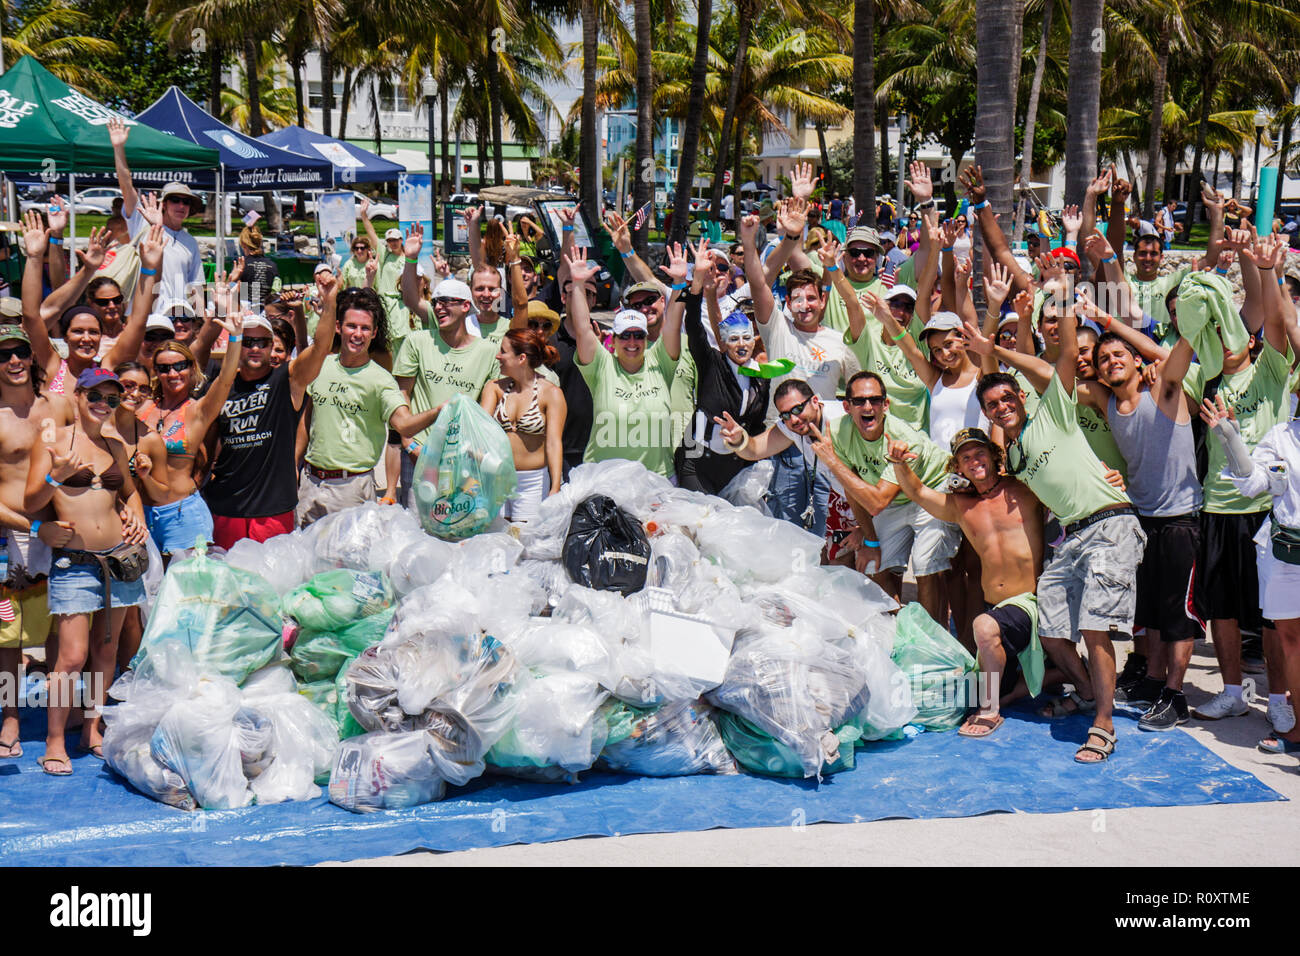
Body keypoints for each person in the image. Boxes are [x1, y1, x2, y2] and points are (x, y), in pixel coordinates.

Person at [973, 298, 1145, 763]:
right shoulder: (1013, 456)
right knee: (1049, 629)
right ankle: (1089, 691)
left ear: (1023, 398)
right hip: (1073, 537)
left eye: (1008, 397)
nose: (1003, 406)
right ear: (988, 415)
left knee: (1093, 627)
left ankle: (1104, 723)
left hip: (1111, 525)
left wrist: (1062, 296)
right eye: (993, 404)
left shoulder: (1054, 410)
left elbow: (1067, 353)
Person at [24, 367, 148, 775]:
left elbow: (128, 493)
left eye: (112, 399)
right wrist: (54, 476)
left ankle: (91, 728)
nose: (103, 405)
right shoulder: (54, 441)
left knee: (107, 650)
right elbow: (30, 501)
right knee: (71, 657)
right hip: (75, 563)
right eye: (96, 395)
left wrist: (138, 518)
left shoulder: (114, 445)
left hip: (118, 558)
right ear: (78, 397)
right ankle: (54, 741)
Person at [889, 426, 1048, 737]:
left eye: (980, 453)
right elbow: (917, 492)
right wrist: (899, 464)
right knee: (970, 689)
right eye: (965, 457)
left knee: (983, 628)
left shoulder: (1024, 490)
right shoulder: (961, 506)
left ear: (993, 456)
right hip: (998, 610)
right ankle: (1019, 687)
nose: (974, 460)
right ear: (957, 467)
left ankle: (991, 712)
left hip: (1029, 604)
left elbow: (1065, 486)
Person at [741, 210, 859, 535]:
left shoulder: (838, 341)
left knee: (828, 536)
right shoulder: (777, 328)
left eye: (811, 298)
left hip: (828, 448)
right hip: (784, 446)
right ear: (787, 304)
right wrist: (756, 244)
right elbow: (757, 283)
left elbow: (858, 392)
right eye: (796, 299)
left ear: (823, 301)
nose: (804, 305)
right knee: (785, 536)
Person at [202, 275, 338, 550]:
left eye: (262, 342)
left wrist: (330, 300)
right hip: (226, 508)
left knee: (274, 587)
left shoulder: (287, 381)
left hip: (273, 510)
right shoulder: (222, 382)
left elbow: (321, 348)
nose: (254, 348)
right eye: (247, 342)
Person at [298, 286, 448, 525]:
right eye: (352, 326)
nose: (358, 334)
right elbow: (307, 421)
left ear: (374, 333)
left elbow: (404, 425)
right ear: (338, 327)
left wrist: (437, 412)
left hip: (351, 489)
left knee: (344, 561)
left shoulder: (381, 380)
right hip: (310, 484)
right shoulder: (321, 366)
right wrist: (293, 467)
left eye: (365, 328)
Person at [1204, 392, 1300, 758]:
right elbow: (1254, 483)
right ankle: (1297, 728)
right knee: (1291, 642)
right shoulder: (1280, 436)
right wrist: (1230, 439)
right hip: (1286, 552)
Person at [0, 325, 76, 760]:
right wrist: (33, 530)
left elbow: (84, 455)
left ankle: (55, 719)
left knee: (59, 629)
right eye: (4, 354)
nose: (13, 361)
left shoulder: (59, 406)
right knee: (8, 637)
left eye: (20, 353)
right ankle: (10, 715)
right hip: (14, 536)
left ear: (32, 358)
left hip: (61, 530)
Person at [395, 234, 499, 503]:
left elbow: (489, 409)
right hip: (419, 454)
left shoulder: (488, 352)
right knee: (417, 532)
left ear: (466, 307)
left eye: (447, 302)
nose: (439, 307)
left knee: (458, 530)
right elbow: (402, 396)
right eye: (436, 302)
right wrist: (407, 442)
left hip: (463, 458)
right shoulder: (417, 341)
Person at [564, 247, 683, 478]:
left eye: (638, 335)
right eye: (624, 335)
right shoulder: (601, 366)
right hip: (604, 481)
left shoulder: (659, 361)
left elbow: (673, 326)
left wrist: (678, 284)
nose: (631, 341)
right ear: (614, 340)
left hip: (656, 479)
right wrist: (578, 286)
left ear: (646, 338)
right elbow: (582, 329)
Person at [715, 379, 861, 566]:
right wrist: (738, 438)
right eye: (785, 415)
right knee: (838, 565)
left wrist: (865, 528)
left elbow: (871, 476)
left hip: (872, 499)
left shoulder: (843, 420)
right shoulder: (792, 426)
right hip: (843, 496)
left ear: (815, 401)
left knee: (876, 571)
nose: (793, 419)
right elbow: (754, 450)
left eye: (797, 409)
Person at [136, 305, 244, 559]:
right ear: (156, 372)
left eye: (180, 366)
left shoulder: (198, 411)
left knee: (187, 594)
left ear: (191, 367)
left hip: (183, 516)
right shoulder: (141, 408)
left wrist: (236, 337)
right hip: (142, 514)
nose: (172, 373)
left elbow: (226, 378)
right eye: (164, 368)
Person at [21, 213, 161, 397]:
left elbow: (138, 323)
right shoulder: (52, 365)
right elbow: (31, 317)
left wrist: (149, 269)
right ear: (64, 336)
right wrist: (34, 257)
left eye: (94, 332)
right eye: (78, 331)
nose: (86, 338)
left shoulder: (108, 367)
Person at [674, 240, 769, 494]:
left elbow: (757, 423)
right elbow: (693, 325)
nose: (741, 345)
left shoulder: (762, 376)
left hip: (734, 463)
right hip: (696, 462)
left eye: (746, 338)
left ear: (754, 340)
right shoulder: (712, 362)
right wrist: (697, 284)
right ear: (723, 342)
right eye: (734, 339)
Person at [112, 117, 205, 315]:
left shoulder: (190, 242)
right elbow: (126, 185)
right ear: (164, 205)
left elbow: (196, 288)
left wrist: (201, 324)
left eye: (186, 201)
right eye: (175, 200)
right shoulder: (144, 225)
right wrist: (119, 148)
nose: (181, 205)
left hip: (178, 319)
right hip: (142, 317)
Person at [479, 329, 566, 522]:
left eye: (503, 351)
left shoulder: (551, 393)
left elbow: (554, 443)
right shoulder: (494, 388)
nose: (498, 356)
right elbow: (479, 431)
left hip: (532, 481)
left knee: (526, 543)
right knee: (495, 544)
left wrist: (555, 487)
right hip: (496, 477)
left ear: (521, 358)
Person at [359, 198, 410, 346]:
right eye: (389, 240)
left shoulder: (409, 258)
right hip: (385, 304)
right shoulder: (384, 254)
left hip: (404, 305)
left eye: (395, 239)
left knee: (404, 339)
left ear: (401, 240)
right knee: (387, 340)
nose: (393, 243)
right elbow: (371, 233)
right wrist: (363, 215)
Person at [238, 225, 279, 304]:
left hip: (245, 310)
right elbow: (275, 292)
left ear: (243, 244)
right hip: (266, 310)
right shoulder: (272, 265)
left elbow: (236, 292)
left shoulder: (242, 265)